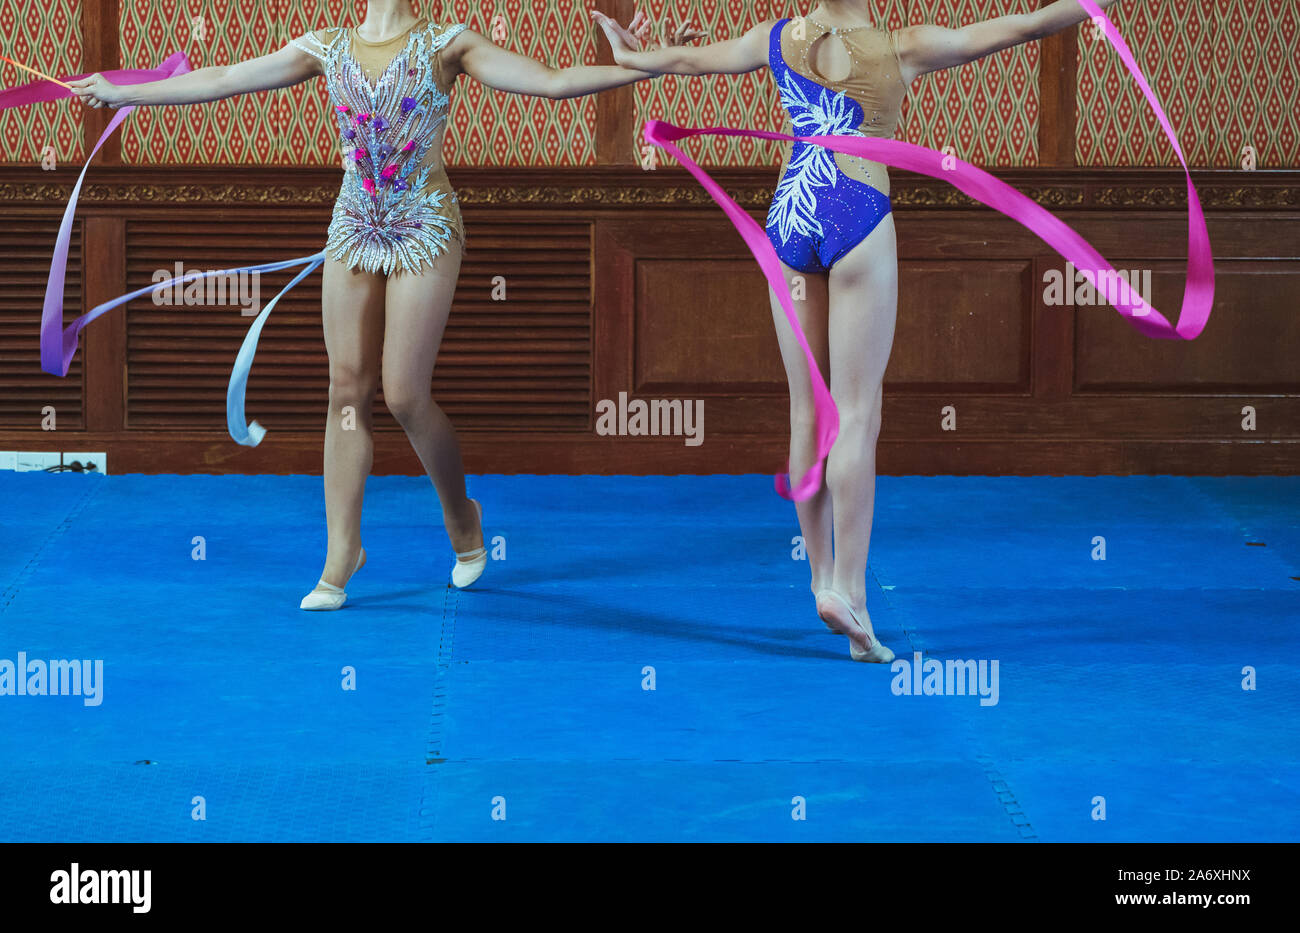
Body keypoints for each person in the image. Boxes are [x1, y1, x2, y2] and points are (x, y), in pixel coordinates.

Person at [68, 1, 699, 610]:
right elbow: (227, 79)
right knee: (346, 390)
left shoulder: (450, 44)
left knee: (403, 393)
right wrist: (123, 92)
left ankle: (462, 514)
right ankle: (342, 553)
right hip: (353, 225)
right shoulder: (324, 47)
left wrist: (645, 63)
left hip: (425, 221)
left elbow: (556, 82)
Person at [593, 0, 1125, 661]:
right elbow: (1019, 27)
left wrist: (630, 55)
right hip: (857, 212)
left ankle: (818, 575)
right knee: (856, 414)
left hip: (790, 219)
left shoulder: (777, 38)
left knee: (804, 415)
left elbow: (684, 60)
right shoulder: (902, 46)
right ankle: (851, 589)